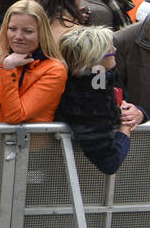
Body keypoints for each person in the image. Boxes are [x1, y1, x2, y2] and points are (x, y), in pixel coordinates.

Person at [56, 26, 147, 174]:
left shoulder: (101, 76)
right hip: (75, 178)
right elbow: (109, 163)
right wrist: (125, 125)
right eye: (111, 48)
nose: (116, 51)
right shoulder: (84, 97)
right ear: (96, 57)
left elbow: (122, 104)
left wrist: (139, 113)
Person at [0, 0, 67, 123]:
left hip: (28, 141)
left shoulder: (54, 70)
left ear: (42, 33)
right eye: (12, 29)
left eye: (27, 31)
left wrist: (8, 69)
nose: (18, 37)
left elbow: (13, 117)